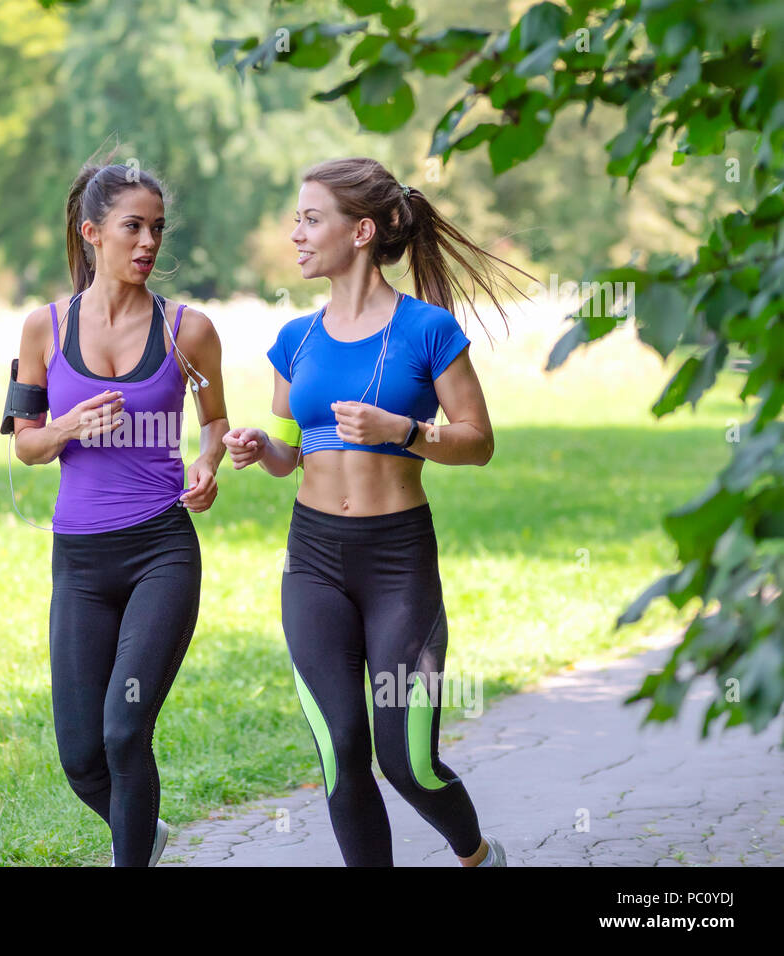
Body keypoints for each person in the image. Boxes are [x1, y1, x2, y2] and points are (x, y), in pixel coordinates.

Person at [224, 157, 531, 867]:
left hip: (397, 562)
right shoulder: (294, 341)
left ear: (361, 231)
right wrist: (260, 446)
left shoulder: (428, 330)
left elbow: (479, 443)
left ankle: (478, 854)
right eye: (295, 218)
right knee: (341, 753)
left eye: (310, 218)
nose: (294, 233)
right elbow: (293, 453)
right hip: (314, 561)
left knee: (407, 761)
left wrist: (405, 431)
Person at [8, 158, 230, 866]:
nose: (148, 243)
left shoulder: (187, 331)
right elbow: (26, 445)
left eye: (157, 229)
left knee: (125, 731)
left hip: (160, 549)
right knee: (81, 756)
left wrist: (206, 463)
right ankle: (144, 833)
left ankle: (131, 855)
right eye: (133, 226)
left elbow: (215, 420)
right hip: (79, 561)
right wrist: (69, 427)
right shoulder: (42, 331)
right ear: (92, 232)